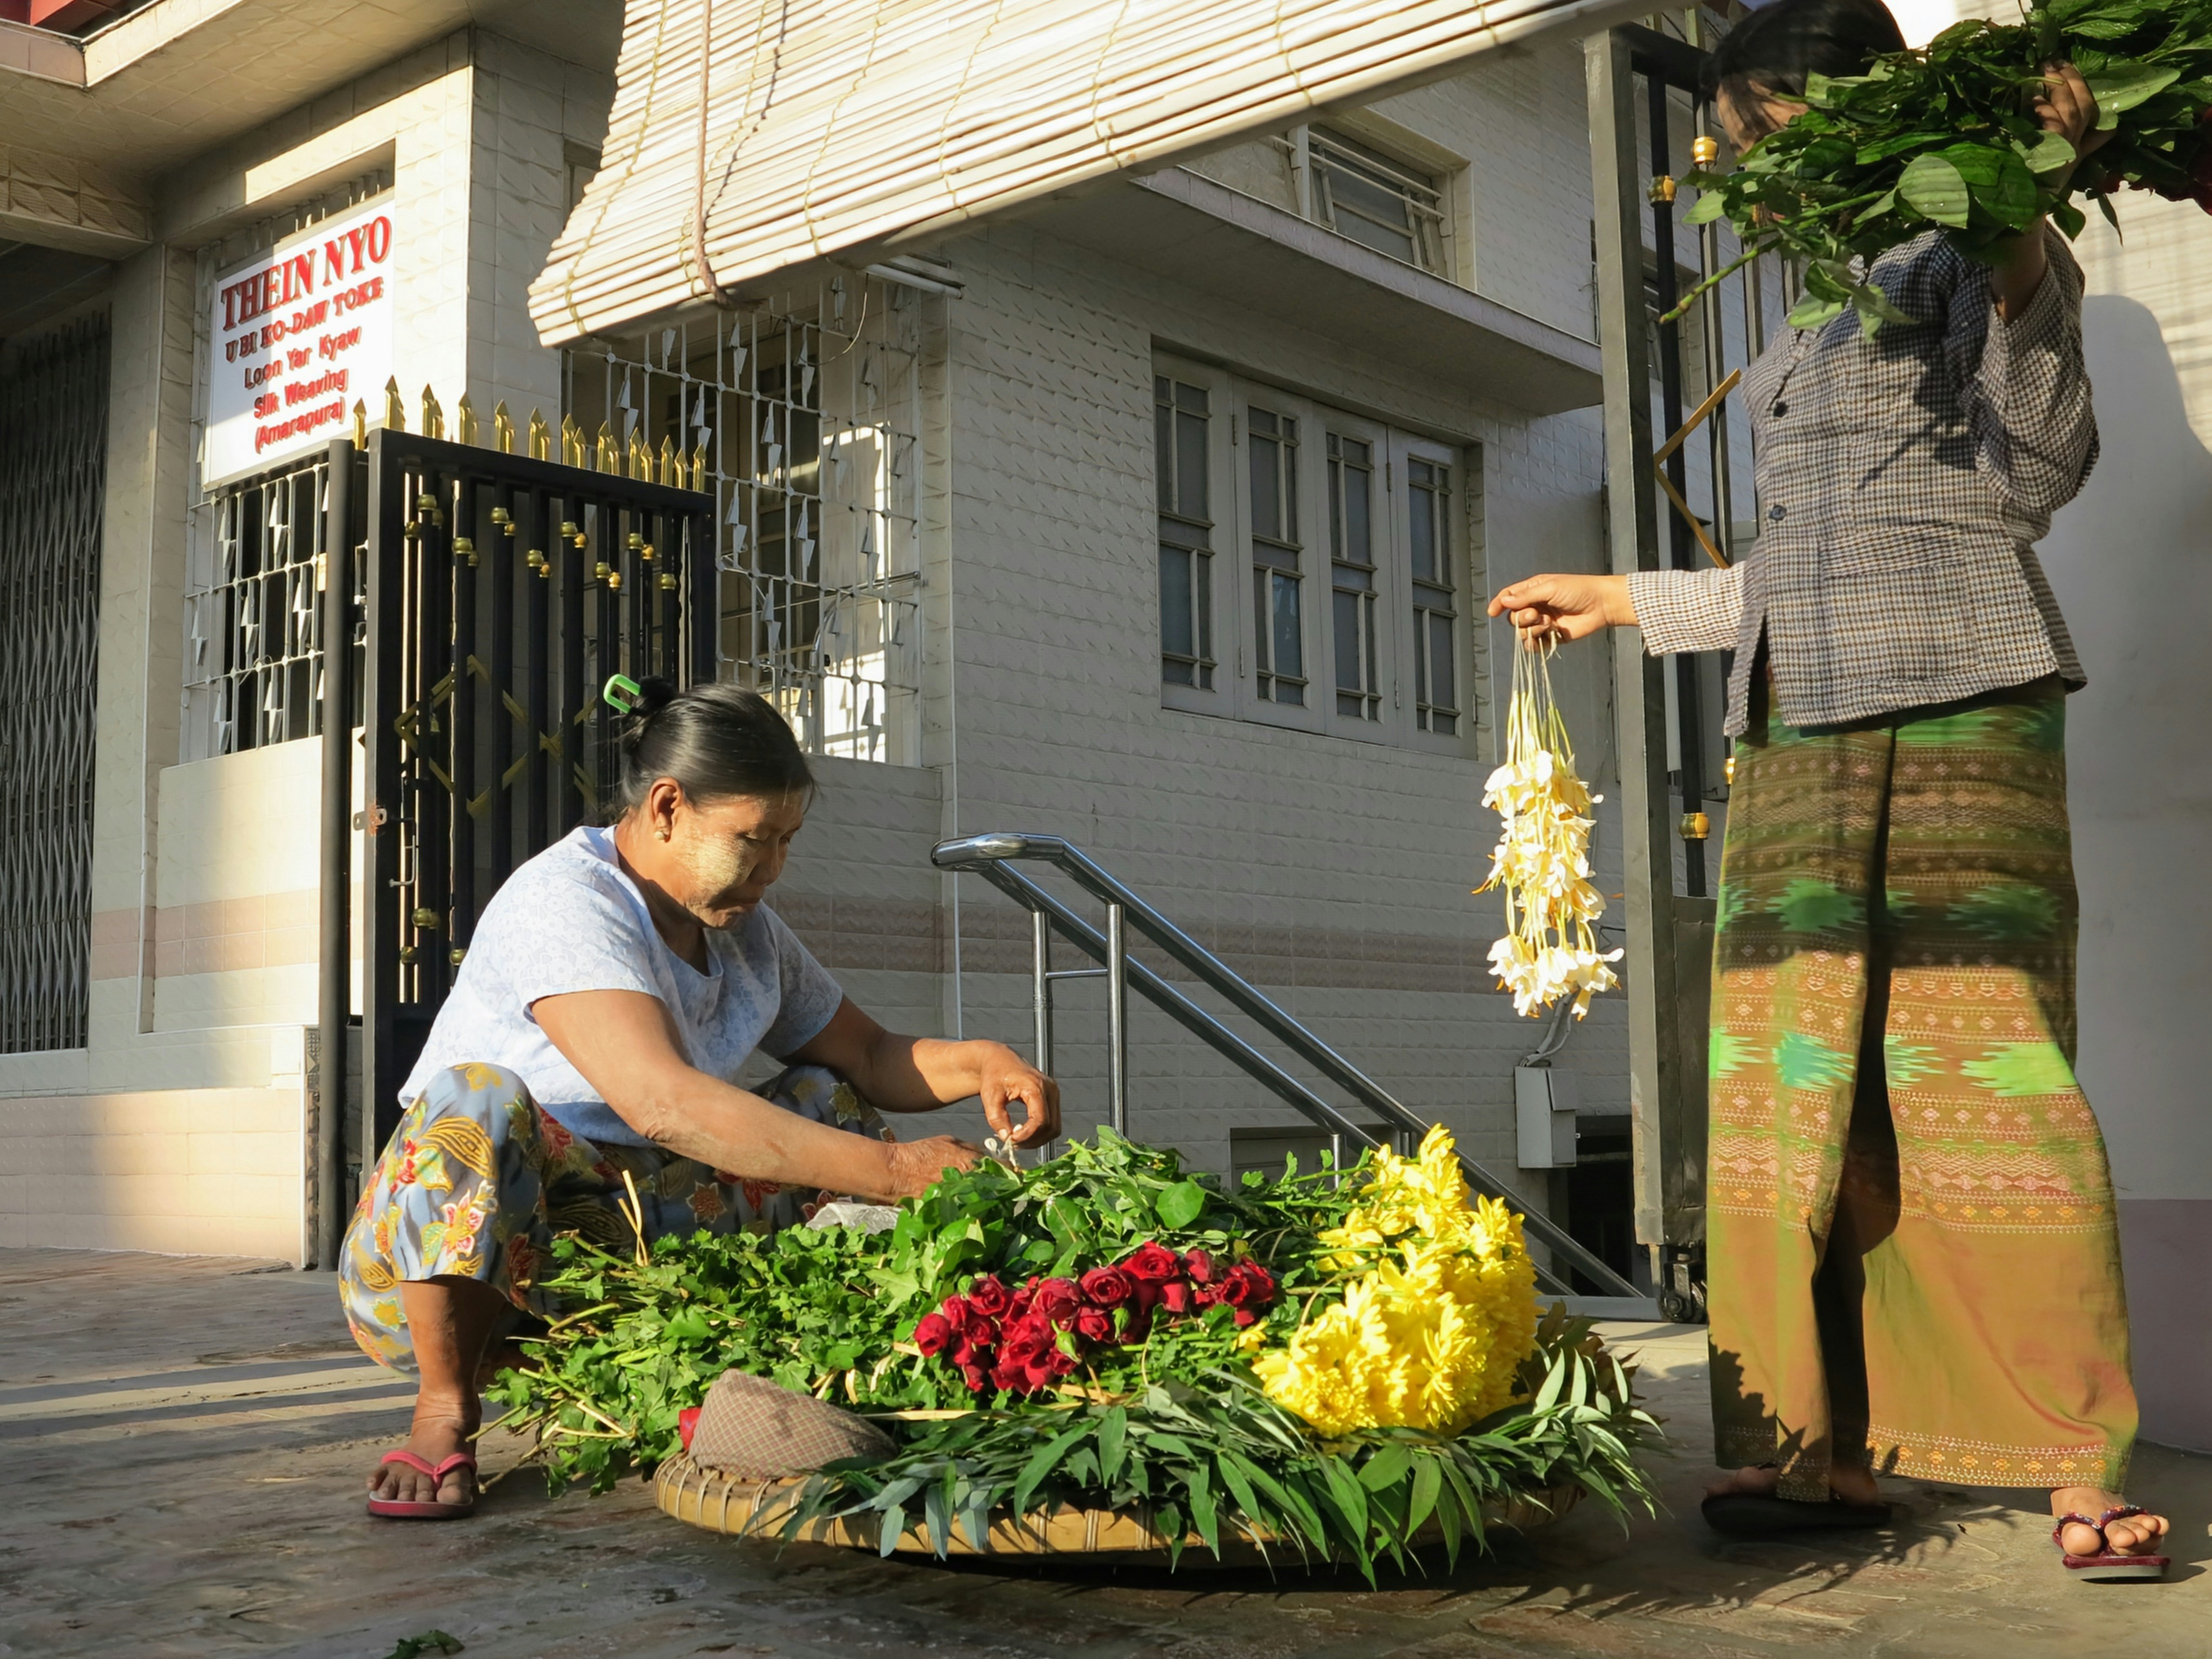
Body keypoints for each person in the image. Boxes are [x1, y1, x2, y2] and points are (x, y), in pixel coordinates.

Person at [1489, 0, 2170, 1581]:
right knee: (1791, 1098)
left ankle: (2073, 1452)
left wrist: (2010, 246)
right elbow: (1815, 576)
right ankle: (1819, 1449)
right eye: (1734, 156)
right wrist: (1624, 598)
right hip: (1794, 735)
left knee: (1987, 1076)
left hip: (1957, 712)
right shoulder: (1803, 332)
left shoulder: (1980, 254)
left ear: (1855, 114)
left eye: (1764, 143)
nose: (1754, 183)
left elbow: (2035, 473)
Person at [341, 679, 1060, 1519]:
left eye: (787, 841)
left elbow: (866, 1053)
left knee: (826, 1096)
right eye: (753, 839)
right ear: (668, 806)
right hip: (469, 1270)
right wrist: (899, 1171)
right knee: (474, 1099)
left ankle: (853, 1363)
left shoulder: (742, 924)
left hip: (635, 1254)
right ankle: (444, 1407)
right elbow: (663, 1102)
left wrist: (983, 1061)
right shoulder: (563, 901)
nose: (773, 867)